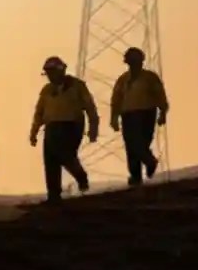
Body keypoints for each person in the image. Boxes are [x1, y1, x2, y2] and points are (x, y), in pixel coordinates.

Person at [30, 56, 99, 203]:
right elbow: (39, 112)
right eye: (47, 73)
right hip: (51, 127)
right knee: (50, 161)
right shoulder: (47, 90)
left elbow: (90, 107)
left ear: (61, 71)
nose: (49, 76)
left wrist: (93, 128)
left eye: (52, 72)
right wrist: (34, 132)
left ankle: (81, 176)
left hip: (71, 126)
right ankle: (53, 196)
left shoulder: (77, 86)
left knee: (65, 155)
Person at [110, 46, 169, 186]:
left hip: (146, 113)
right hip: (128, 115)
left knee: (141, 143)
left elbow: (160, 96)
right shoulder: (123, 80)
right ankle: (136, 176)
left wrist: (162, 113)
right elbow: (116, 99)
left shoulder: (150, 78)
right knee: (131, 146)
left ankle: (149, 162)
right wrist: (114, 118)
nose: (133, 64)